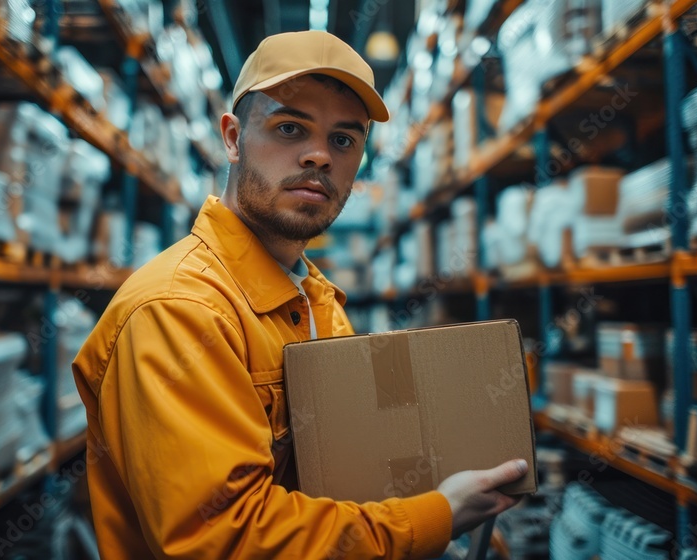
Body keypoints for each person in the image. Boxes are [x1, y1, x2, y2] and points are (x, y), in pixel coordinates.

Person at [72, 30, 528, 559]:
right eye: (290, 128)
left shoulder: (315, 300)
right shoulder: (178, 310)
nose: (319, 156)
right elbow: (227, 540)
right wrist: (435, 517)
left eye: (344, 140)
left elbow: (346, 477)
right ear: (232, 138)